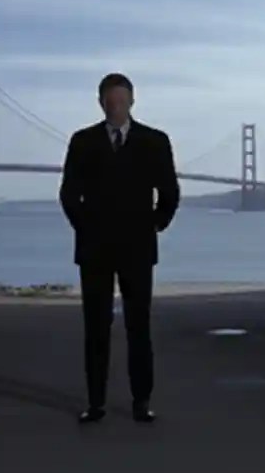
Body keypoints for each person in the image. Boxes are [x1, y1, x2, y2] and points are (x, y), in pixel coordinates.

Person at [59, 73, 180, 424]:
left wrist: (154, 225)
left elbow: (169, 192)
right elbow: (68, 193)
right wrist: (84, 226)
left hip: (138, 248)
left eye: (122, 101)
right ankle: (95, 403)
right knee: (95, 328)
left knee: (138, 326)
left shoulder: (155, 141)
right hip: (94, 248)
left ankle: (141, 402)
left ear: (132, 102)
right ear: (100, 103)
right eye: (110, 102)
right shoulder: (82, 141)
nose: (116, 107)